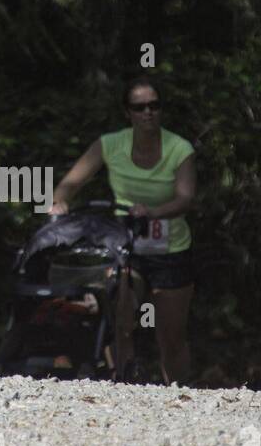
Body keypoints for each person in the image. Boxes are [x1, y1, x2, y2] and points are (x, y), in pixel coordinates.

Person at [50, 77, 196, 385]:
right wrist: (60, 201)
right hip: (125, 246)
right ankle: (124, 387)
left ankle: (182, 395)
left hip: (170, 250)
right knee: (121, 318)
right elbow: (71, 182)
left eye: (154, 106)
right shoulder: (110, 144)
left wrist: (152, 212)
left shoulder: (179, 148)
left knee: (170, 336)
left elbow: (185, 198)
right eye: (140, 107)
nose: (148, 113)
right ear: (127, 112)